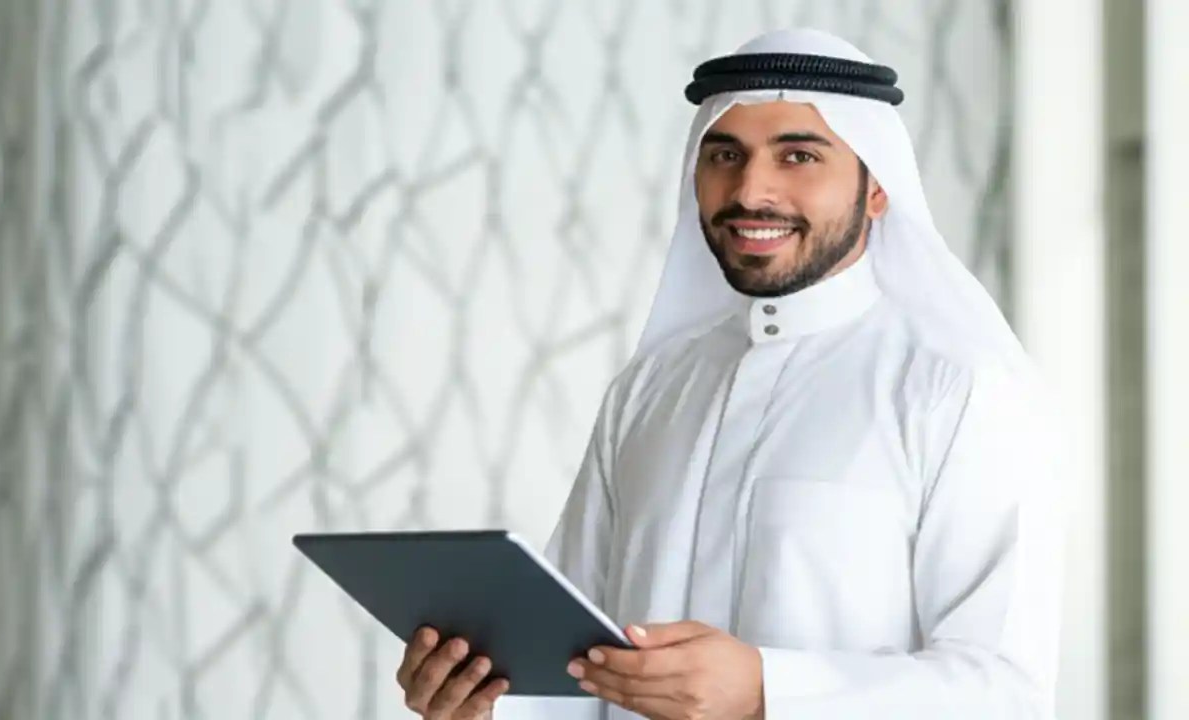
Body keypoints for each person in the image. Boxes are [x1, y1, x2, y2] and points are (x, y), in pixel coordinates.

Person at [395, 28, 1062, 720]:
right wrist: (483, 702)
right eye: (725, 154)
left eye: (799, 155)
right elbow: (582, 667)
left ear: (877, 190)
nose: (751, 189)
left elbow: (1004, 690)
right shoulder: (650, 390)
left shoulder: (958, 390)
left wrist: (769, 691)